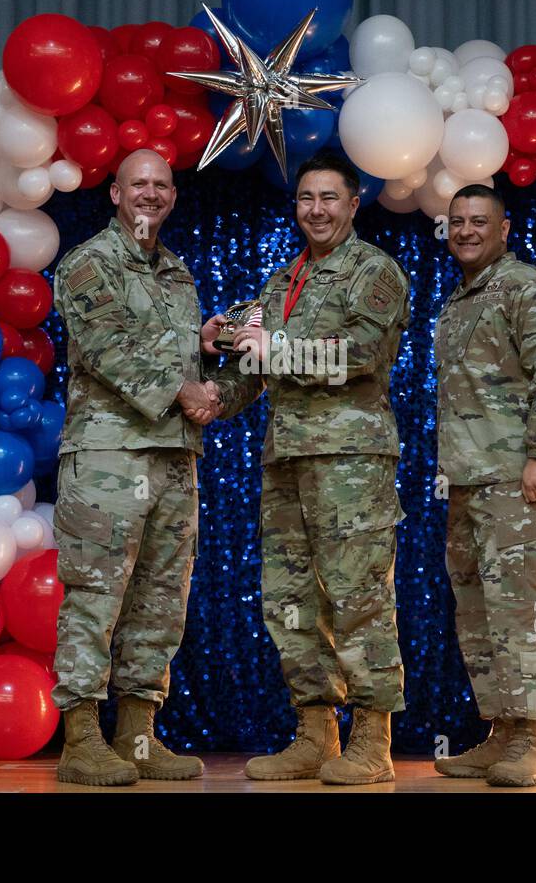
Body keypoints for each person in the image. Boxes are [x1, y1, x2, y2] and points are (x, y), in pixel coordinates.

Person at [209, 151, 410, 785]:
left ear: (353, 205)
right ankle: (315, 732)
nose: (316, 210)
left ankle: (372, 741)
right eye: (305, 199)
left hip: (351, 461)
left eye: (329, 198)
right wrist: (214, 386)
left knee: (358, 599)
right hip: (287, 462)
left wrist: (277, 346)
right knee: (289, 600)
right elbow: (254, 363)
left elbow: (362, 353)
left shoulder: (373, 272)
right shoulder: (283, 281)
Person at [50, 148, 220, 786]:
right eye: (137, 184)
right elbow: (107, 347)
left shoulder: (177, 276)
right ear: (115, 194)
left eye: (161, 185)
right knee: (95, 595)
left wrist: (205, 349)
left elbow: (170, 355)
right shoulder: (89, 262)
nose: (149, 193)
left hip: (174, 457)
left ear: (171, 197)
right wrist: (184, 389)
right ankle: (82, 740)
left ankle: (138, 735)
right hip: (107, 454)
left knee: (159, 600)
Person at [431, 183, 536, 787]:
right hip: (468, 483)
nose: (466, 231)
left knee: (520, 609)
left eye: (478, 221)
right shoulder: (463, 299)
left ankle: (531, 742)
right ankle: (499, 732)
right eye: (457, 222)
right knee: (478, 612)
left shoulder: (527, 288)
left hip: (519, 481)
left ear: (504, 226)